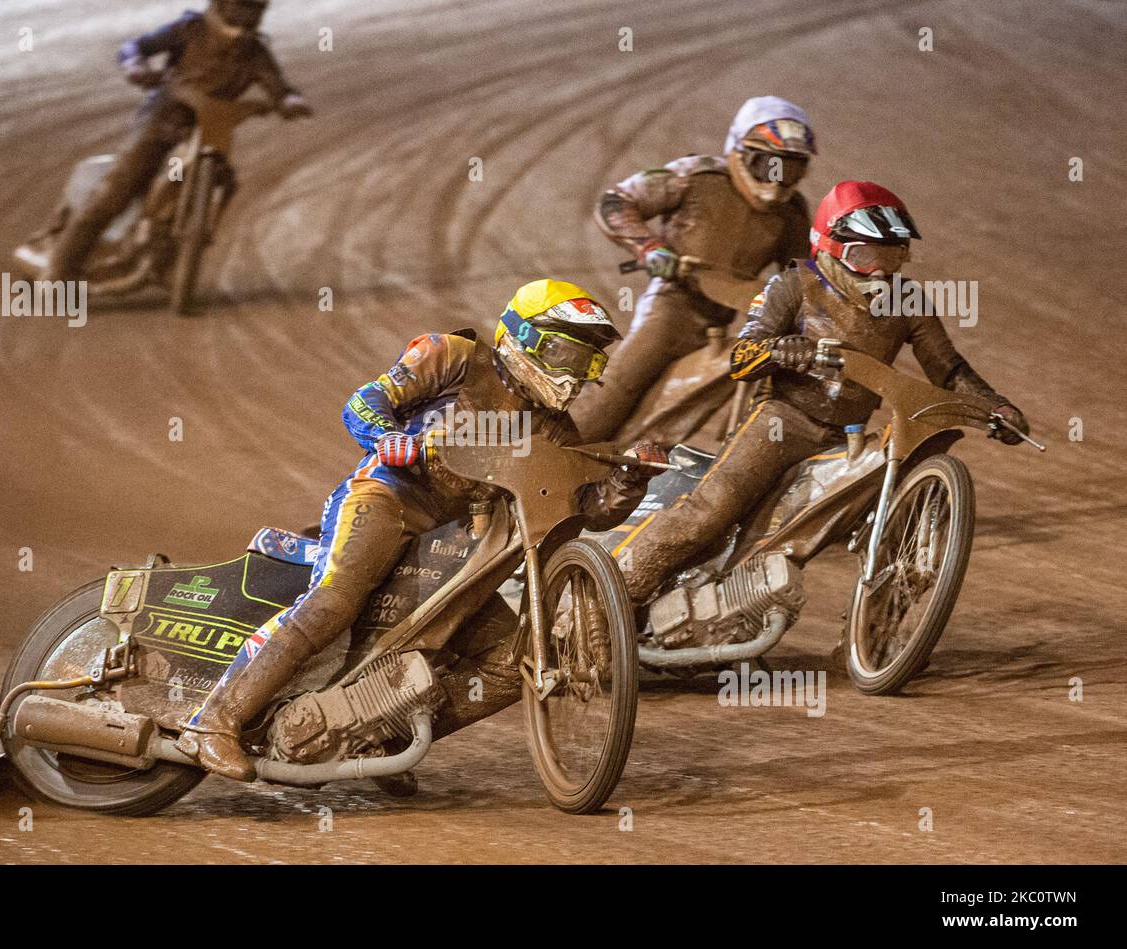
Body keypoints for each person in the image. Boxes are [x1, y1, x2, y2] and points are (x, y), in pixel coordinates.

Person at [177, 280, 665, 780]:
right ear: (522, 336)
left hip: (457, 542)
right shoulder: (452, 355)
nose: (575, 374)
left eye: (587, 362)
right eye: (565, 353)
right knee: (336, 600)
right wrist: (388, 438)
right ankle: (214, 721)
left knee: (506, 659)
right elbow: (364, 402)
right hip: (387, 495)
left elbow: (587, 510)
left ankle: (378, 736)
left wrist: (629, 480)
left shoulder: (555, 431)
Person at [618, 180, 1030, 603]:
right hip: (781, 423)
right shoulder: (793, 285)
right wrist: (782, 351)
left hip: (846, 440)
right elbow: (742, 357)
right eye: (865, 256)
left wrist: (994, 406)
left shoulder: (909, 301)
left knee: (887, 530)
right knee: (708, 515)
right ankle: (611, 598)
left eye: (892, 255)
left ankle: (878, 638)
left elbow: (948, 368)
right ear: (830, 247)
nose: (881, 272)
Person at [572, 96, 817, 443]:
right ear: (741, 152)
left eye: (791, 168)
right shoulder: (696, 175)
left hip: (732, 323)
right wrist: (649, 247)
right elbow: (616, 200)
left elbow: (801, 275)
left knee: (682, 421)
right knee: (617, 387)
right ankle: (561, 450)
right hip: (671, 307)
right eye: (770, 165)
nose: (778, 179)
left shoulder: (792, 211)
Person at [43, 0, 310, 281]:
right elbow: (135, 47)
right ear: (222, 4)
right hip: (163, 122)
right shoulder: (189, 30)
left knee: (225, 179)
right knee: (118, 189)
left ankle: (173, 250)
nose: (251, 16)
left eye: (257, 10)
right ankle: (58, 272)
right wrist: (135, 64)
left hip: (209, 132)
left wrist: (290, 101)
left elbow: (279, 85)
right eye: (243, 6)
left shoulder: (256, 53)